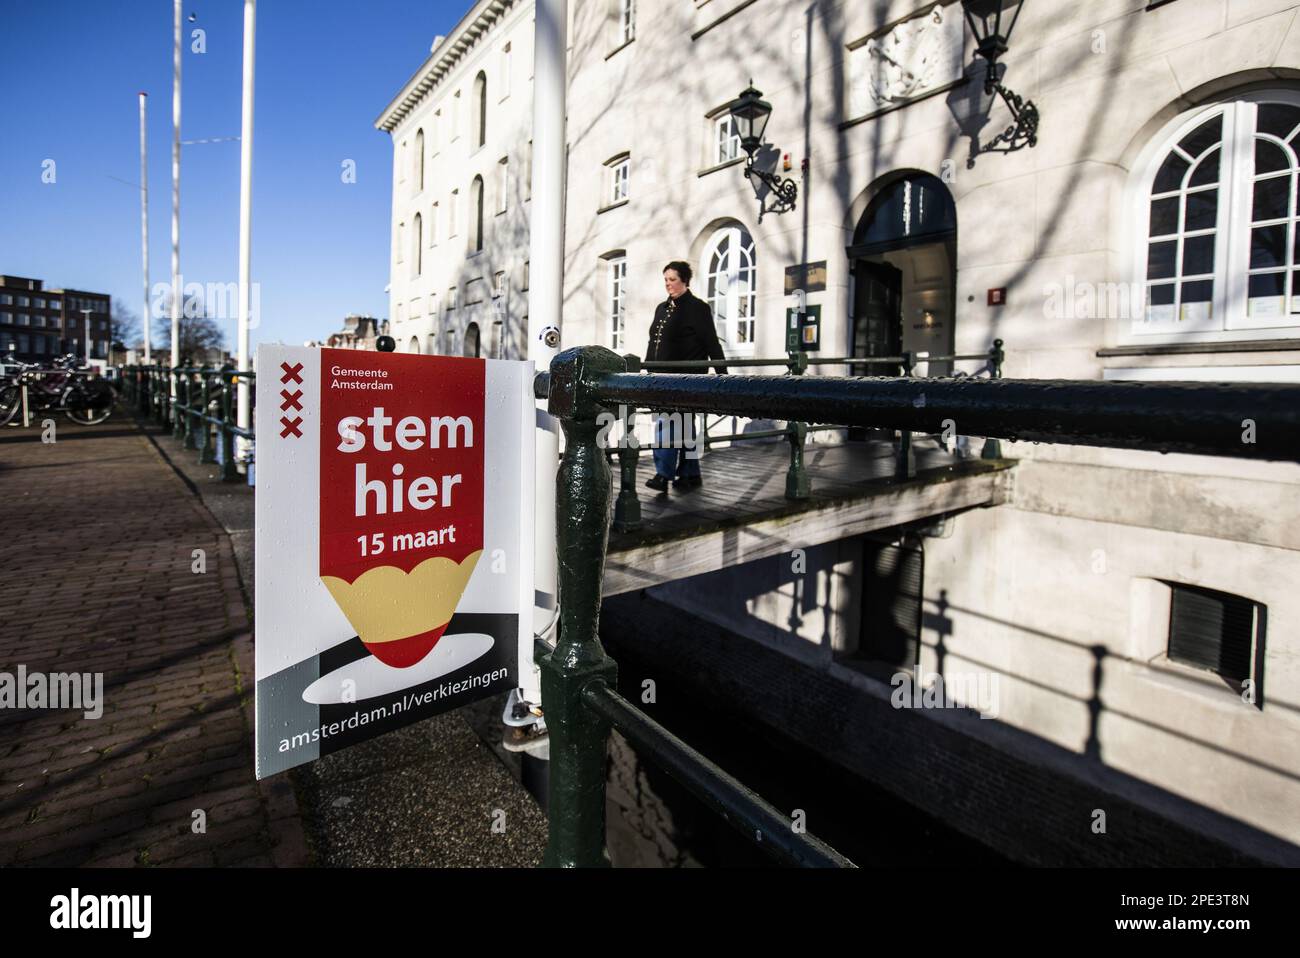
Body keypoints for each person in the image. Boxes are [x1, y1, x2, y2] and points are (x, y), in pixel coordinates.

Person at [644, 261, 727, 492]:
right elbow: (654, 342)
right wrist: (647, 372)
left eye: (673, 280)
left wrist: (723, 376)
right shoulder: (662, 308)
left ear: (685, 280)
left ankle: (663, 474)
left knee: (668, 425)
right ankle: (691, 473)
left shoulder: (697, 308)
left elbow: (711, 342)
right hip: (660, 378)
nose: (668, 284)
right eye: (666, 280)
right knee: (684, 426)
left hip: (686, 379)